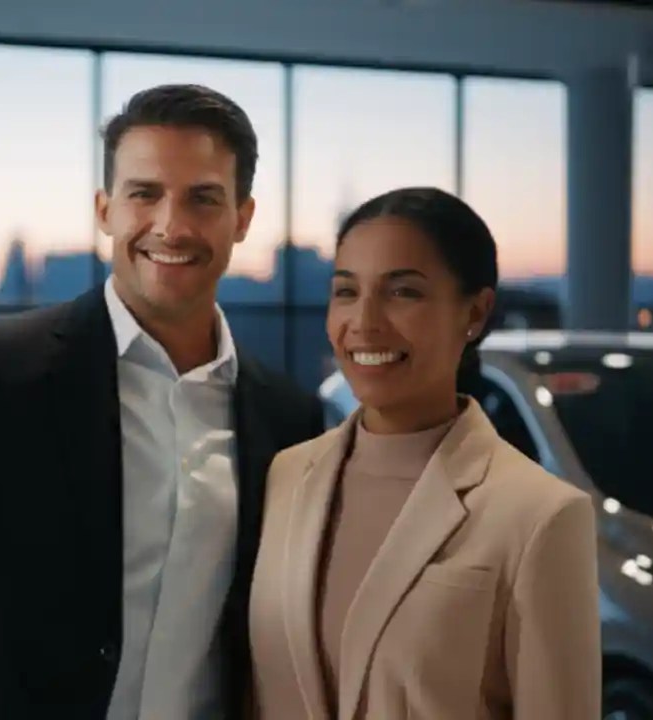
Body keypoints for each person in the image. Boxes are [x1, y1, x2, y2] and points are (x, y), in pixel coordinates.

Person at [0, 83, 324, 719]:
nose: (171, 224)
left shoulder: (288, 417)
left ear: (242, 218)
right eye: (145, 194)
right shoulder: (3, 363)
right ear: (105, 210)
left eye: (203, 198)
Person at [248, 187, 601, 719]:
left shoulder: (540, 515)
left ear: (476, 313)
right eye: (346, 292)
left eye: (403, 293)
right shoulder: (288, 474)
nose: (363, 321)